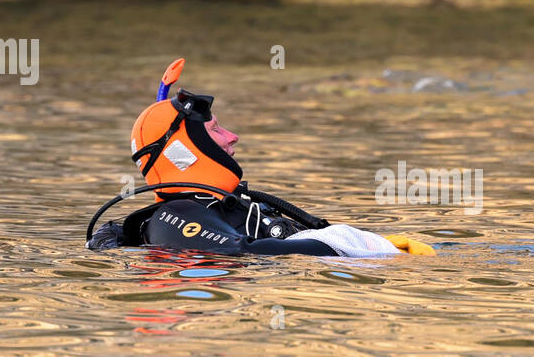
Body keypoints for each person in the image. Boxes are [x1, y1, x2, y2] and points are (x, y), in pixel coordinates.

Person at [87, 59, 435, 257]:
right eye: (216, 131)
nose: (232, 136)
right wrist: (348, 242)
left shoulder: (229, 204)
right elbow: (247, 253)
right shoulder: (174, 216)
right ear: (185, 150)